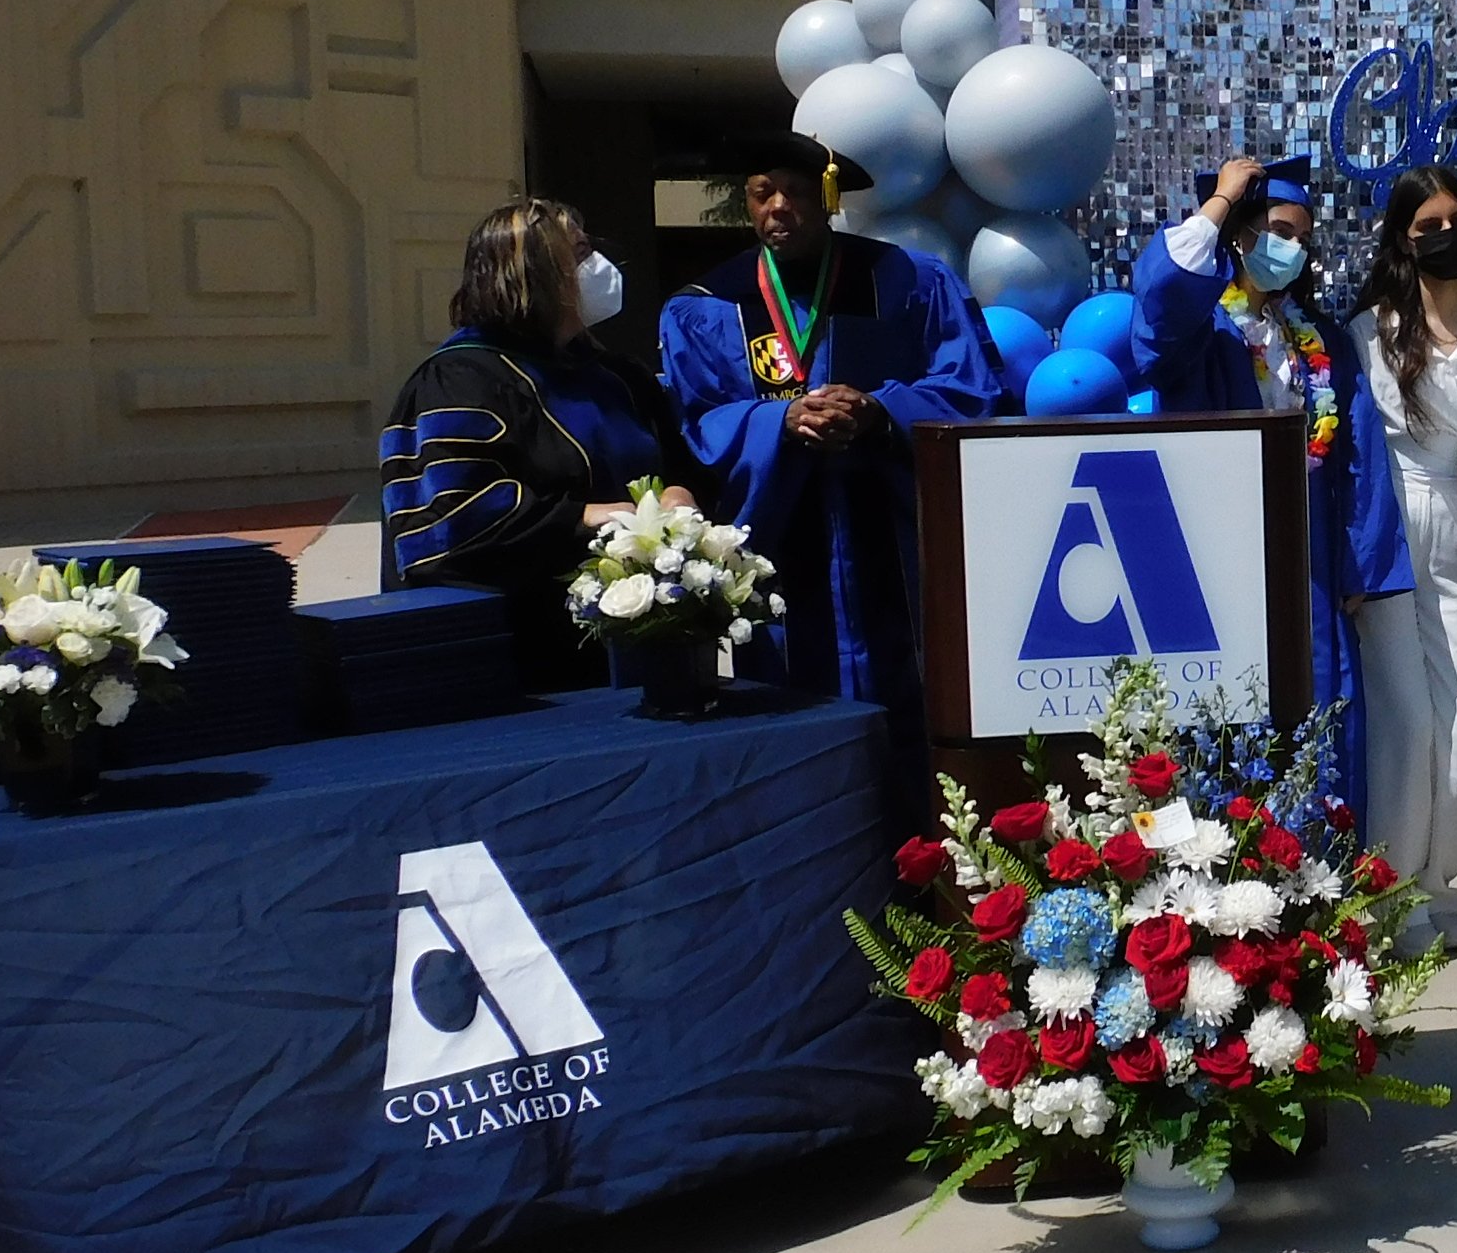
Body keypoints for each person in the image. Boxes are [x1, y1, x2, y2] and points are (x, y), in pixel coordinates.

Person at [655, 131, 1001, 826]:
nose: (778, 206)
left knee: (920, 703)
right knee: (791, 717)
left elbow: (973, 388)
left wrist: (879, 409)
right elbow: (694, 422)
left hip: (899, 543)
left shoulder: (908, 279)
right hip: (783, 541)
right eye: (762, 193)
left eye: (794, 191)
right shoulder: (705, 305)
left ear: (828, 196)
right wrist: (777, 424)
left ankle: (928, 850)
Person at [1130, 151, 1410, 816]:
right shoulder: (1203, 332)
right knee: (1222, 715)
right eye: (1280, 233)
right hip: (1213, 548)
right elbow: (1163, 297)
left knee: (1318, 712)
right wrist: (1221, 200)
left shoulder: (1317, 338)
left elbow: (1358, 453)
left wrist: (1358, 569)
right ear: (1239, 237)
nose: (1293, 250)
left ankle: (1320, 883)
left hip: (1306, 551)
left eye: (1303, 240)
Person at [379, 199, 694, 687]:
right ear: (535, 274)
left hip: (639, 634)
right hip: (516, 652)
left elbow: (677, 463)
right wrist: (588, 514)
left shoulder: (620, 375)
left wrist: (679, 493)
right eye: (581, 253)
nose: (600, 268)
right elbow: (456, 517)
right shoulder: (460, 379)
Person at [1349, 166, 1457, 936]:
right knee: (1407, 722)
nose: (1446, 236)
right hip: (1388, 533)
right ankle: (1387, 891)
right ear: (1402, 242)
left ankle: (1435, 879)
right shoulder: (1368, 332)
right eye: (1427, 227)